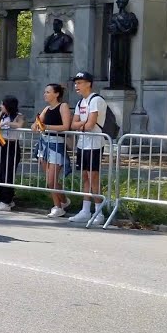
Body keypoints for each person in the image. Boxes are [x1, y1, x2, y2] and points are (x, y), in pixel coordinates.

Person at [68, 72, 106, 224]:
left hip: (95, 143)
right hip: (83, 143)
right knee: (85, 175)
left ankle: (99, 211)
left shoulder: (95, 100)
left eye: (80, 82)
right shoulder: (80, 102)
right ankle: (85, 209)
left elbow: (90, 124)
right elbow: (73, 124)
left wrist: (81, 126)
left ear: (89, 83)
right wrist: (82, 126)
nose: (77, 85)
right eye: (76, 82)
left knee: (93, 176)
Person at [33, 83, 71, 217]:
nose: (45, 94)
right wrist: (36, 125)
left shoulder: (63, 106)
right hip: (44, 144)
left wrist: (47, 126)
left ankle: (57, 206)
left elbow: (66, 126)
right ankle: (64, 200)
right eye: (45, 92)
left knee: (51, 180)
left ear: (56, 94)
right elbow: (37, 123)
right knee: (50, 179)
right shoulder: (46, 108)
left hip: (56, 144)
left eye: (48, 92)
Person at [0, 96, 24, 211]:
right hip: (1, 143)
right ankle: (2, 198)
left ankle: (6, 200)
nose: (0, 106)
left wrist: (4, 124)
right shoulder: (2, 114)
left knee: (7, 173)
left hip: (12, 145)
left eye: (2, 104)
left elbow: (19, 125)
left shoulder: (19, 116)